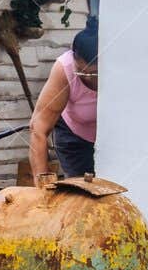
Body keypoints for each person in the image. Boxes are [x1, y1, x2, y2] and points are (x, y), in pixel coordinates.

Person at [29, 19, 98, 179]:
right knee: (80, 191)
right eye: (82, 72)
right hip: (74, 134)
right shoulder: (65, 68)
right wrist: (42, 184)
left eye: (94, 73)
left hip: (111, 138)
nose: (87, 78)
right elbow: (38, 128)